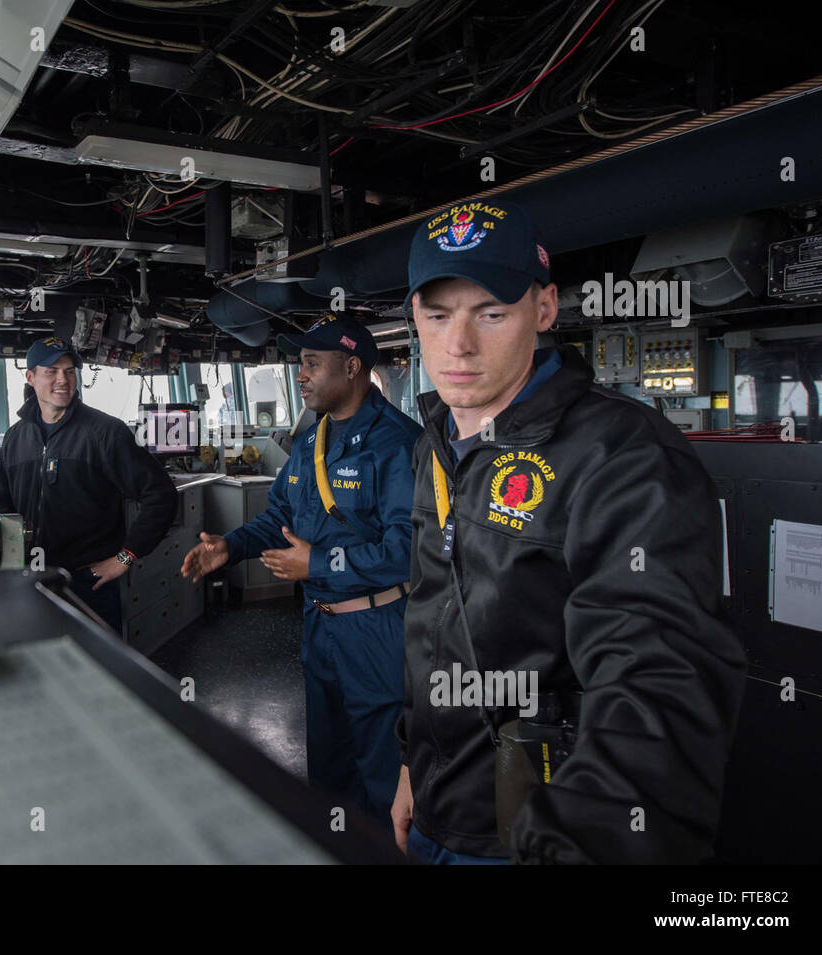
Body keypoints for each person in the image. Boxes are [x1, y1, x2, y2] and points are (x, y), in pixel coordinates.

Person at [391, 199, 745, 863]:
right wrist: (414, 761)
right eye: (438, 315)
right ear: (414, 316)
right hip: (440, 808)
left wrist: (577, 842)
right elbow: (431, 618)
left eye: (491, 312)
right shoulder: (435, 441)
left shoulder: (625, 457)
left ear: (545, 310)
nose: (458, 344)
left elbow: (658, 679)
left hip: (533, 834)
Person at [180, 316, 422, 826]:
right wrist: (232, 545)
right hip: (320, 625)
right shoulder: (313, 439)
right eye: (299, 364)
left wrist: (318, 562)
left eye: (313, 363)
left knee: (385, 780)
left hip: (377, 631)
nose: (301, 375)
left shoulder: (400, 444)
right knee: (329, 772)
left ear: (353, 367)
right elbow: (281, 517)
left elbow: (410, 551)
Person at [0, 336, 177, 632]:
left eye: (69, 371)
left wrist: (124, 557)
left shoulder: (105, 433)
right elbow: (0, 506)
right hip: (30, 580)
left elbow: (161, 495)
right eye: (51, 371)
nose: (62, 380)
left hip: (89, 581)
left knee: (99, 670)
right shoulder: (15, 438)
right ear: (30, 377)